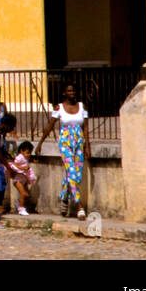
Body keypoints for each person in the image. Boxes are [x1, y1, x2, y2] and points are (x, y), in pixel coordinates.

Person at [36, 83, 90, 219]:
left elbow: (86, 128)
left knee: (76, 174)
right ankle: (79, 206)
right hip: (65, 141)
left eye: (74, 90)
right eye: (69, 91)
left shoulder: (82, 106)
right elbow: (50, 125)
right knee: (71, 171)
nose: (72, 93)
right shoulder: (59, 108)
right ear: (64, 93)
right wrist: (40, 143)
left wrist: (87, 146)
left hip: (79, 142)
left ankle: (64, 197)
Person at [7, 140, 37, 215]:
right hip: (18, 179)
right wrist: (23, 168)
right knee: (23, 193)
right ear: (22, 151)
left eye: (30, 153)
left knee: (27, 194)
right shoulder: (20, 157)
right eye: (27, 152)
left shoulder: (26, 158)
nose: (29, 154)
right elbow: (13, 164)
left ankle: (18, 203)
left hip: (23, 179)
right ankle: (21, 209)